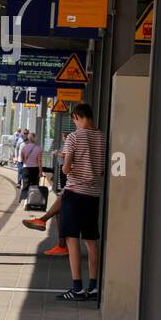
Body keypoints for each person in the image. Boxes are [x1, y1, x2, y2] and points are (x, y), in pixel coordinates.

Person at [56, 102, 107, 301]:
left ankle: (77, 287)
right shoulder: (103, 138)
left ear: (77, 117)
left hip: (75, 193)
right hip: (93, 195)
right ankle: (93, 287)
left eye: (74, 121)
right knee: (91, 241)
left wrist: (64, 159)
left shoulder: (74, 137)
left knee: (72, 239)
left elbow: (66, 169)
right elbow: (101, 169)